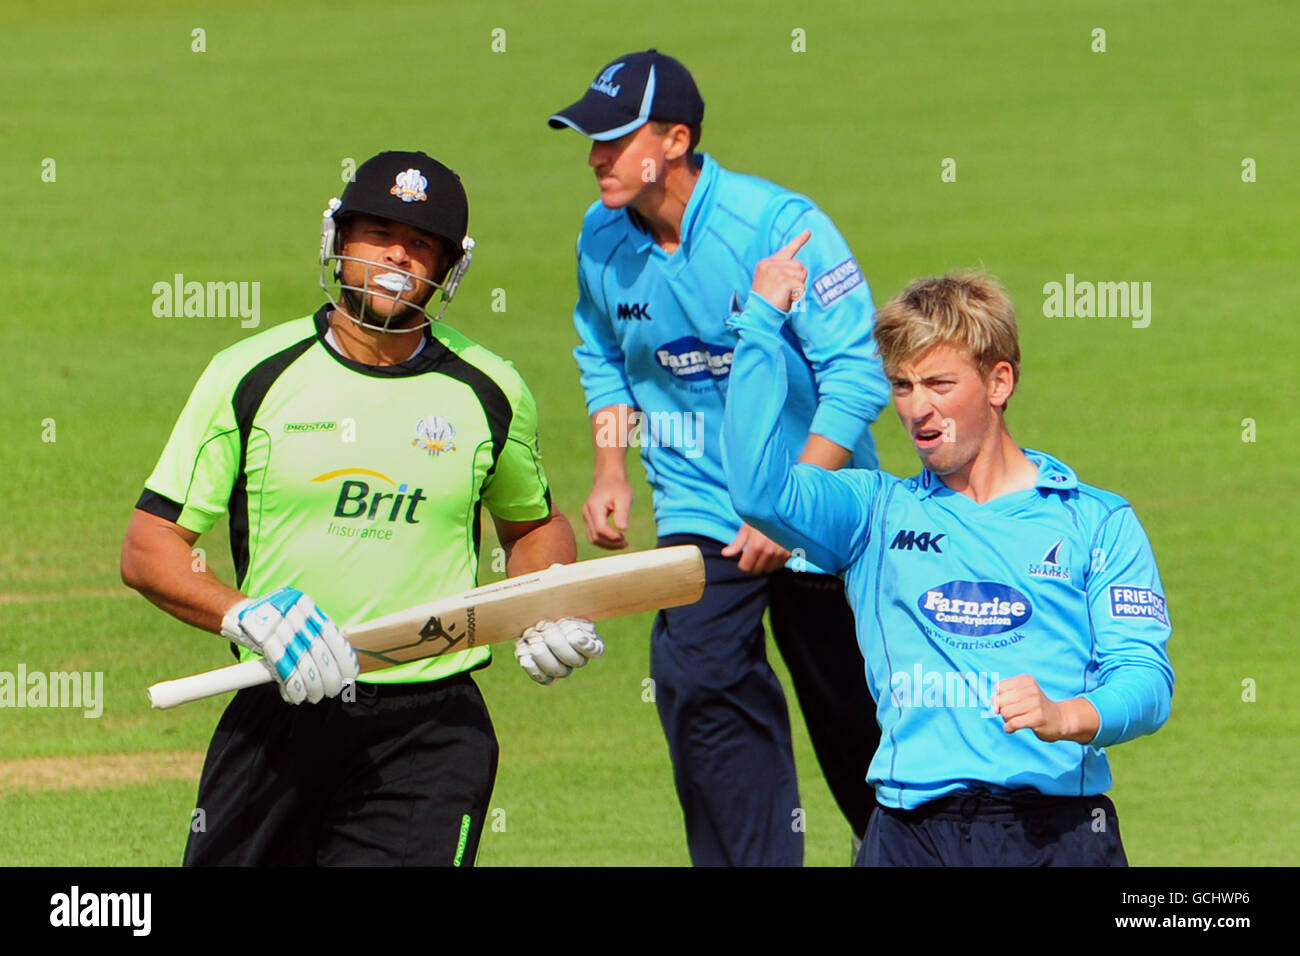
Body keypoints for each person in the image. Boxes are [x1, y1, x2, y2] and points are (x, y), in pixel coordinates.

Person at [120, 150, 604, 866]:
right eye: (377, 232)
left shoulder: (490, 389)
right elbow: (148, 544)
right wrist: (241, 614)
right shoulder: (251, 374)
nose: (395, 256)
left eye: (420, 244)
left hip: (430, 733)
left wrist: (548, 599)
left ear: (447, 268)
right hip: (275, 709)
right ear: (338, 242)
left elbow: (535, 525)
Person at [545, 50, 889, 865]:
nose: (595, 156)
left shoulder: (778, 227)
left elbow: (857, 372)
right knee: (696, 678)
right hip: (701, 508)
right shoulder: (601, 239)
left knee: (855, 713)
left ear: (674, 139)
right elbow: (602, 354)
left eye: (614, 139)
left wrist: (790, 496)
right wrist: (610, 469)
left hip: (821, 499)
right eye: (589, 138)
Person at [722, 260, 1174, 866]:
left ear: (998, 382)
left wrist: (1066, 715)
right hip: (909, 835)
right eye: (902, 387)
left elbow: (1146, 681)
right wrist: (760, 324)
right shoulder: (872, 512)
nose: (917, 410)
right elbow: (759, 492)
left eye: (939, 384)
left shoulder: (1096, 522)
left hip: (1056, 835)